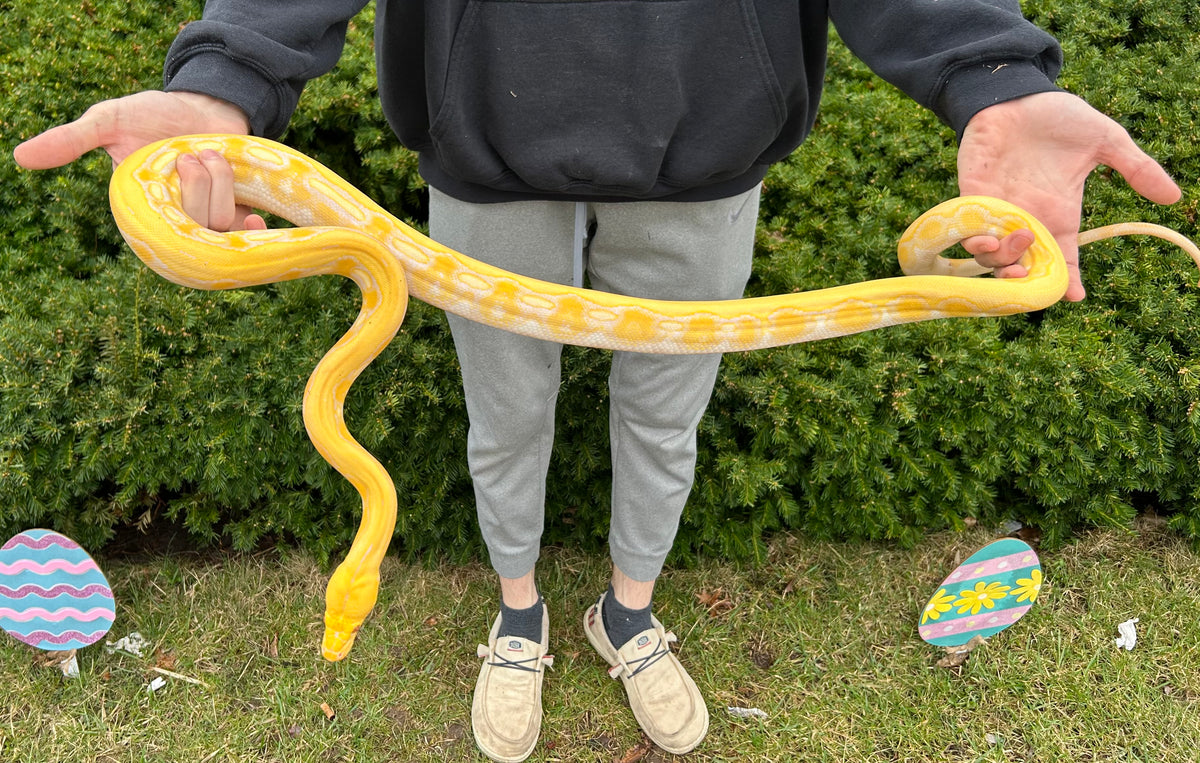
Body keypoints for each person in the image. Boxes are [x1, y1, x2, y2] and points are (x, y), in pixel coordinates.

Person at [14, 2, 1181, 760]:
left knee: (666, 418)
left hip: (706, 162)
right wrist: (226, 80)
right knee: (505, 417)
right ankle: (517, 619)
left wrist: (990, 74)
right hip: (486, 164)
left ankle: (625, 613)